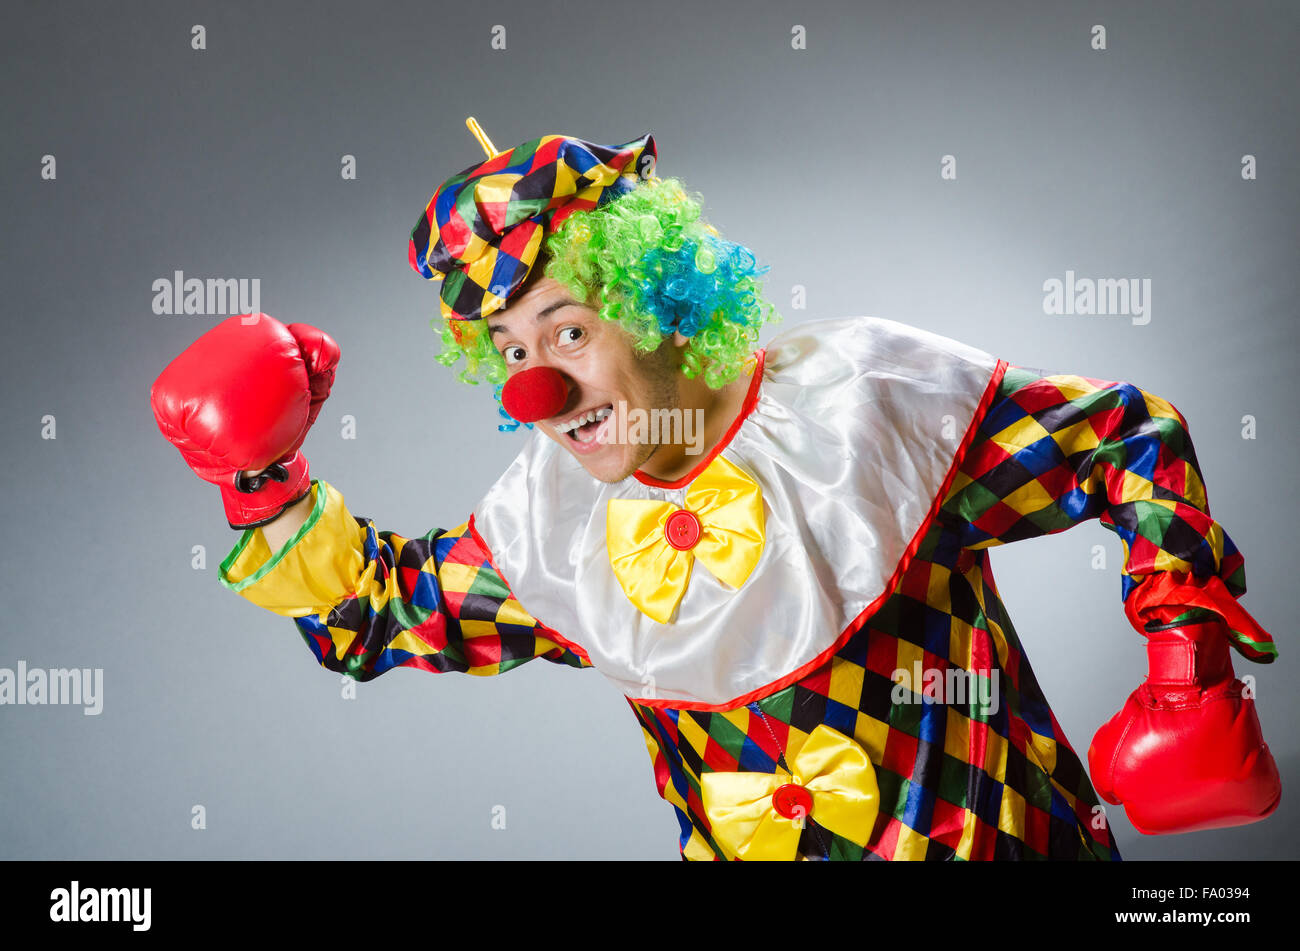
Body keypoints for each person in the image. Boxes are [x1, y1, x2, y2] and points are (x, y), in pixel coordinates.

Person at [151, 120, 1281, 861]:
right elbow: (373, 615)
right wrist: (259, 478)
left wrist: (1189, 668)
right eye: (505, 349)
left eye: (569, 330)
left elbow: (1121, 442)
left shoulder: (863, 410)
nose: (536, 388)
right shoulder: (548, 530)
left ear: (661, 301)